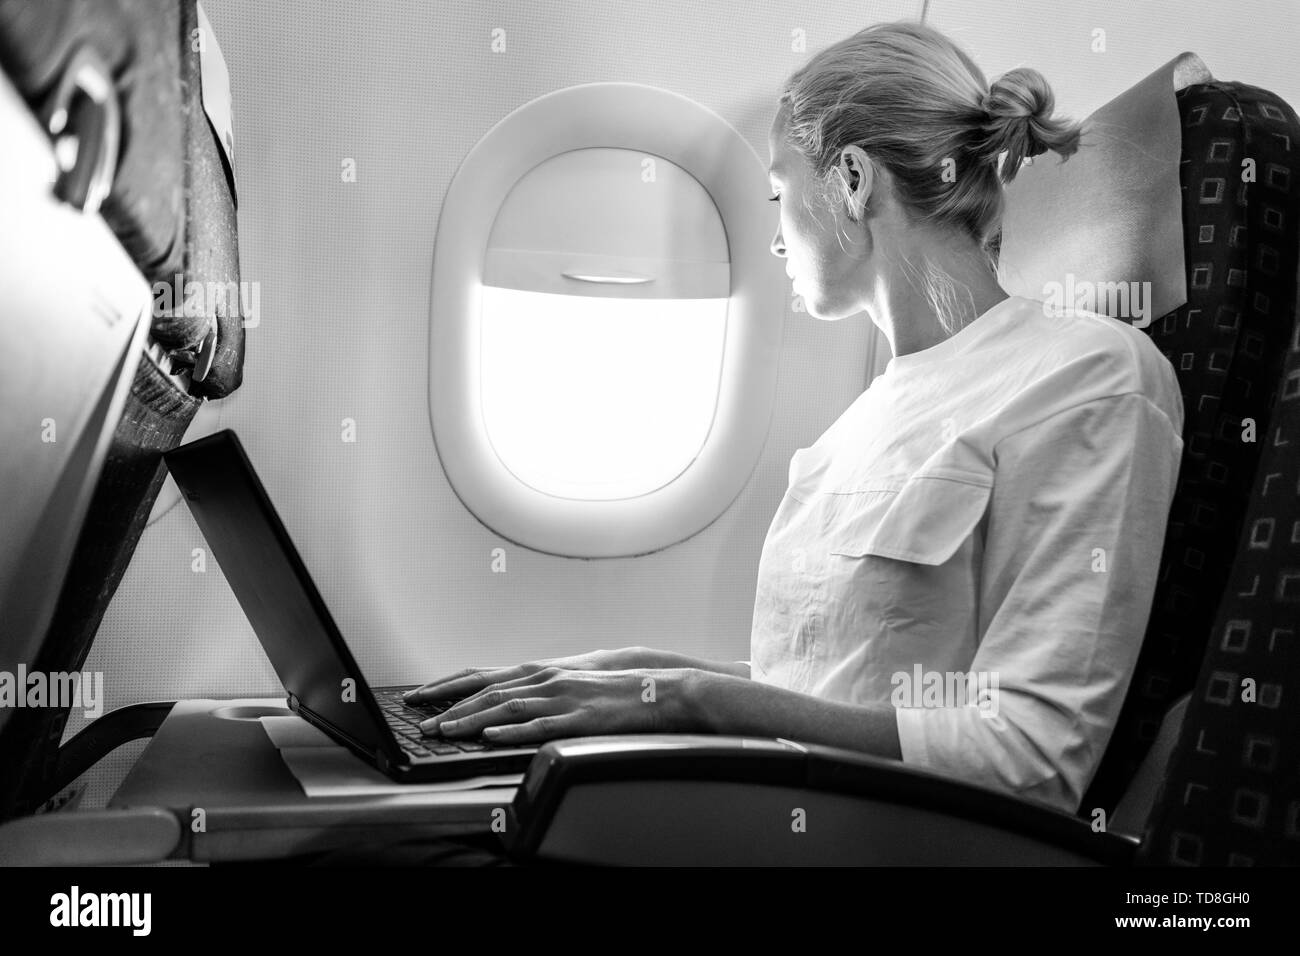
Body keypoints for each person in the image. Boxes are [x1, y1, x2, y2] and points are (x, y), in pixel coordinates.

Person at [405, 19, 1184, 815]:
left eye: (779, 195)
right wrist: (636, 669)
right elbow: (824, 696)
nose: (775, 242)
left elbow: (1026, 760)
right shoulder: (863, 421)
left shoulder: (1088, 377)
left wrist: (686, 702)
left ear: (852, 177)